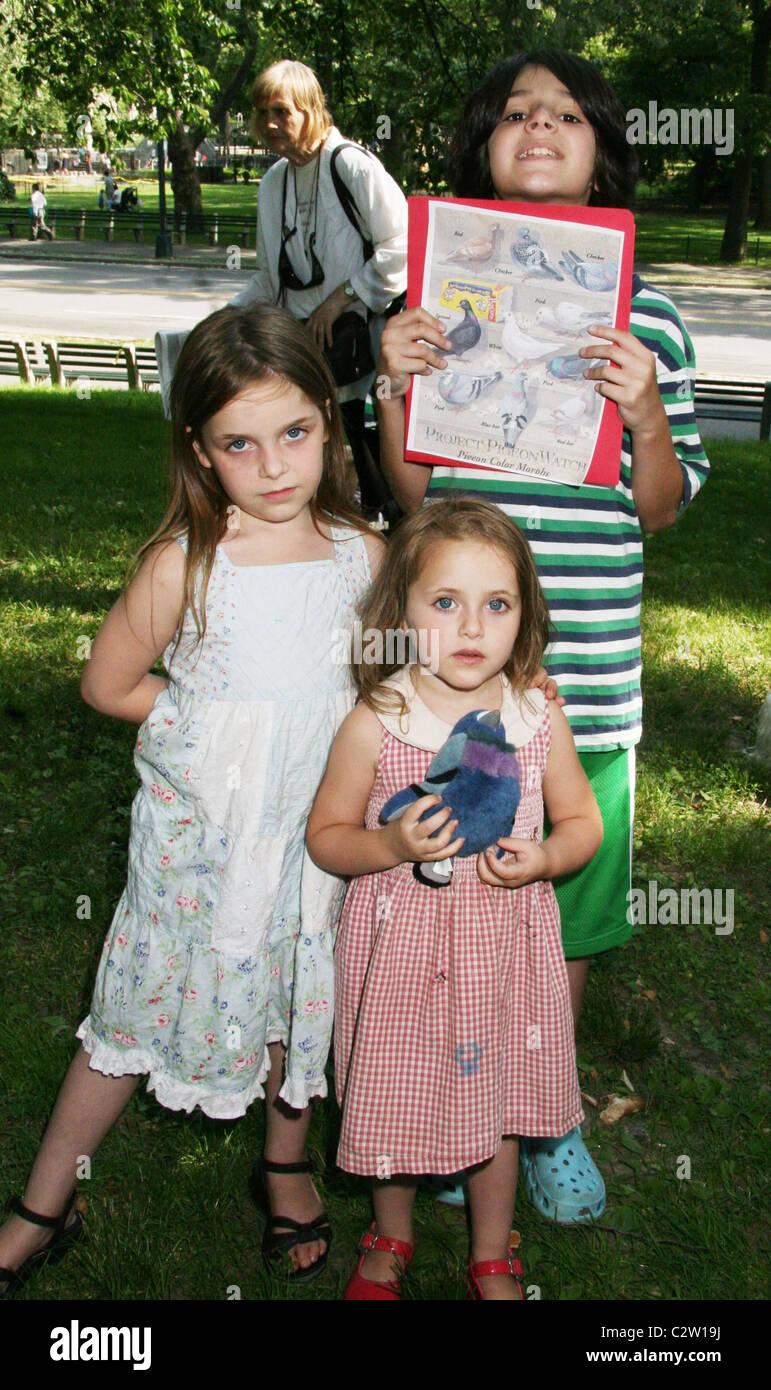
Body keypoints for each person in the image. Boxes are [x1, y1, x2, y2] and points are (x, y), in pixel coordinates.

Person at [376, 49, 709, 1221]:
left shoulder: (652, 312)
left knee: (559, 907)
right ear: (483, 145)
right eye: (517, 112)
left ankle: (546, 1107)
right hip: (457, 682)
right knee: (452, 887)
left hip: (589, 687)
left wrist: (647, 412)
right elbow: (412, 500)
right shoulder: (436, 300)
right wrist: (389, 387)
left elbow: (662, 507)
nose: (540, 125)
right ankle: (457, 1106)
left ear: (602, 147)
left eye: (567, 113)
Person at [0, 304, 384, 1298]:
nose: (274, 464)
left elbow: (391, 683)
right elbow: (108, 684)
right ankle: (48, 1200)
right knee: (131, 1012)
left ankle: (285, 1163)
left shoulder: (364, 555)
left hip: (315, 834)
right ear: (201, 453)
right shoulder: (186, 566)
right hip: (201, 850)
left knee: (298, 1001)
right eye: (240, 444)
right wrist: (215, 724)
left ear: (328, 426)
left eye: (295, 432)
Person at [307, 499, 603, 1299]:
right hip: (400, 958)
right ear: (398, 611)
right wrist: (390, 846)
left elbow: (583, 821)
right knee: (391, 1095)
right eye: (444, 602)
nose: (471, 625)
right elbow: (327, 835)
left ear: (524, 615)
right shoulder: (379, 721)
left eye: (496, 604)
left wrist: (545, 857)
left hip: (500, 953)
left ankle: (490, 1250)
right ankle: (389, 1234)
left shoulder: (535, 718)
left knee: (496, 1100)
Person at [231, 59, 408, 521]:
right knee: (308, 461)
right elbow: (270, 282)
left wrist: (344, 296)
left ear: (309, 110)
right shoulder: (273, 183)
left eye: (282, 112)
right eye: (262, 113)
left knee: (377, 470)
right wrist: (222, 320)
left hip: (359, 352)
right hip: (306, 351)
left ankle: (392, 537)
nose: (270, 124)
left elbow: (402, 247)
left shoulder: (351, 165)